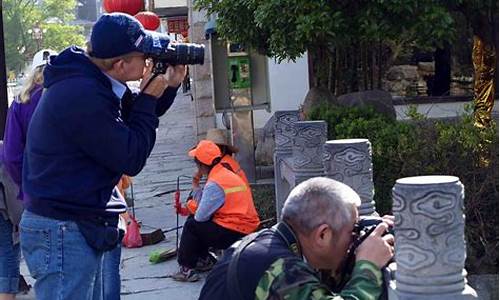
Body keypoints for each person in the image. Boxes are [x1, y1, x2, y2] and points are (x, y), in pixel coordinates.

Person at [19, 13, 186, 300]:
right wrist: (149, 95)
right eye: (143, 56)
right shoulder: (81, 94)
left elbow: (135, 119)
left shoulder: (90, 80)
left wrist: (167, 87)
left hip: (74, 219)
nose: (148, 62)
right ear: (120, 64)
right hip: (62, 228)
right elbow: (130, 156)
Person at [199, 177, 395, 300]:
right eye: (352, 230)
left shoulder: (268, 245)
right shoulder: (277, 269)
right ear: (323, 235)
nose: (355, 238)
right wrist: (368, 265)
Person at [0, 49, 55, 300]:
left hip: (35, 196)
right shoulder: (68, 98)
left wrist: (25, 185)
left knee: (42, 267)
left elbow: (11, 155)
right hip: (72, 194)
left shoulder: (21, 102)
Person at [172, 140, 260, 282]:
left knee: (192, 225)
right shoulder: (223, 171)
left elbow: (200, 217)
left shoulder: (215, 182)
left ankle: (186, 268)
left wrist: (192, 199)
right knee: (199, 223)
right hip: (245, 226)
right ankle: (203, 259)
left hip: (235, 231)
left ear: (201, 165)